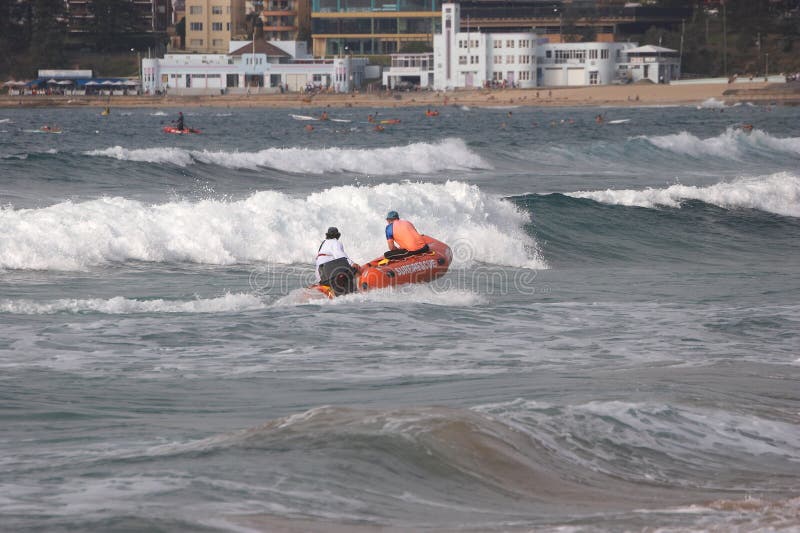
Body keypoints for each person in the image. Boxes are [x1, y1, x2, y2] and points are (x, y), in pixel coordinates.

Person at [315, 227, 359, 295]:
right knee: (353, 270)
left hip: (321, 275)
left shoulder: (323, 244)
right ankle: (358, 289)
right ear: (338, 235)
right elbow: (339, 255)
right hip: (330, 272)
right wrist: (353, 264)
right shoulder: (336, 242)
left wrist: (319, 281)